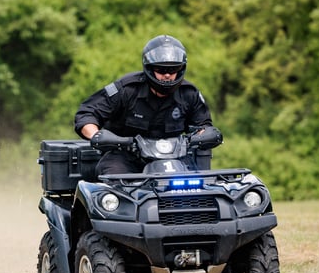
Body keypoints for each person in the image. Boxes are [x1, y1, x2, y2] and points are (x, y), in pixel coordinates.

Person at [74, 35, 214, 175]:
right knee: (114, 174)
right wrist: (97, 136)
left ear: (181, 69)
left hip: (175, 158)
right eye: (160, 69)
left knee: (197, 183)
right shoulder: (126, 89)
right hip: (126, 156)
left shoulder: (189, 93)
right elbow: (87, 114)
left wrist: (203, 136)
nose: (167, 75)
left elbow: (203, 126)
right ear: (149, 67)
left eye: (173, 69)